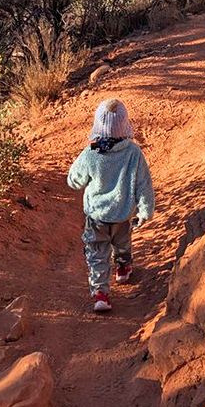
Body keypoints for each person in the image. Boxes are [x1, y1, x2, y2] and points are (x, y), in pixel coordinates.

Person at [67, 98, 154, 313]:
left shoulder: (91, 153)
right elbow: (144, 183)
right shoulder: (133, 153)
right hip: (123, 214)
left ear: (98, 125)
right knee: (122, 243)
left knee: (97, 252)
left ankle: (101, 293)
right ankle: (123, 269)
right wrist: (145, 210)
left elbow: (74, 181)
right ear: (125, 125)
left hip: (96, 216)